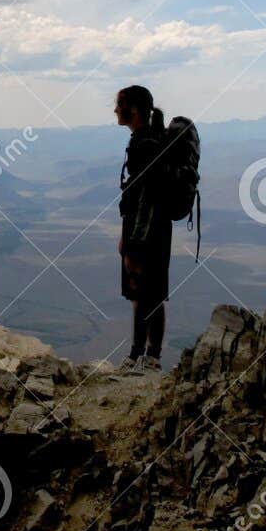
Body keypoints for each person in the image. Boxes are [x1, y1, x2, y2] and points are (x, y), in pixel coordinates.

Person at [115, 85, 171, 372]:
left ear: (133, 109)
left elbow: (144, 199)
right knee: (146, 293)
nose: (116, 110)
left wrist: (131, 242)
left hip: (145, 232)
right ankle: (143, 355)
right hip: (155, 231)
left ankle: (147, 357)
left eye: (120, 105)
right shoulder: (151, 140)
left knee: (145, 292)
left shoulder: (144, 144)